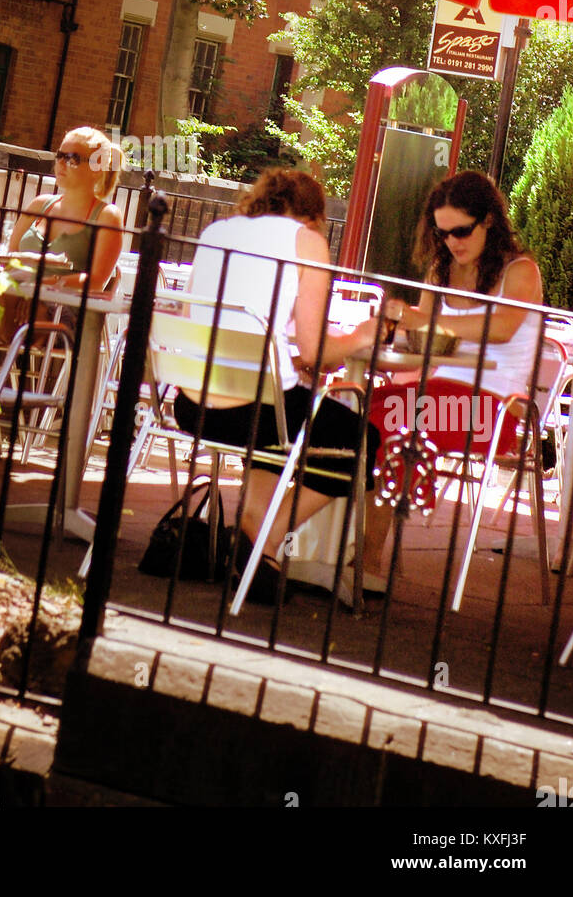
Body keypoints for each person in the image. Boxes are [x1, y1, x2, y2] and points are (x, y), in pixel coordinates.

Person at [171, 167, 384, 603]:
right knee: (359, 437)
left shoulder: (216, 232)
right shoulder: (306, 241)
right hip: (255, 410)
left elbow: (194, 315)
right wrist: (364, 335)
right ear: (312, 215)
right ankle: (261, 543)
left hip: (192, 404)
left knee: (284, 416)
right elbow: (313, 350)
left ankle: (252, 529)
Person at [365, 169, 544, 557]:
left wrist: (426, 321)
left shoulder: (521, 271)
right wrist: (383, 337)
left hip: (494, 409)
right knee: (353, 418)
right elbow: (425, 344)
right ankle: (334, 548)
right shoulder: (441, 269)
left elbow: (502, 328)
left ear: (489, 221)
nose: (451, 242)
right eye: (442, 233)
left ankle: (367, 559)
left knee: (387, 424)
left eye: (461, 231)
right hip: (438, 396)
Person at [7, 126, 124, 292]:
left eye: (72, 158)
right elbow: (9, 258)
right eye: (60, 156)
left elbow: (96, 281)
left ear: (97, 169)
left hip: (65, 305)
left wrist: (43, 286)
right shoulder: (39, 205)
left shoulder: (107, 216)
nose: (61, 163)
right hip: (18, 293)